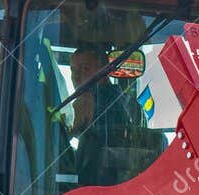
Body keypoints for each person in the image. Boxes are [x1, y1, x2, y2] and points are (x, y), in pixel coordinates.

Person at [65, 44, 167, 186]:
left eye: (84, 68)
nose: (75, 76)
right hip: (128, 186)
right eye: (73, 70)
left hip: (92, 188)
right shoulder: (132, 103)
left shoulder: (86, 101)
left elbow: (66, 140)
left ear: (104, 70)